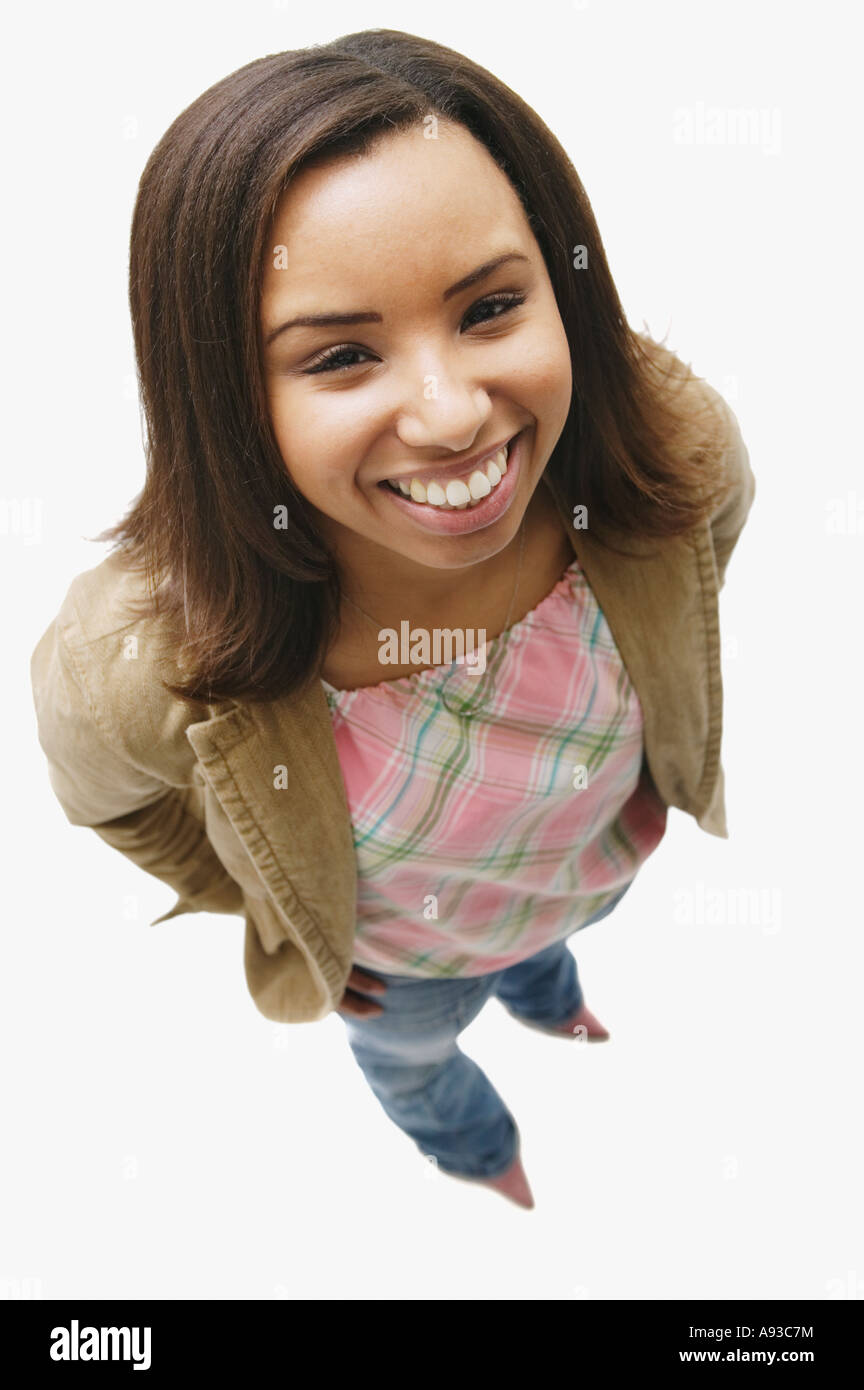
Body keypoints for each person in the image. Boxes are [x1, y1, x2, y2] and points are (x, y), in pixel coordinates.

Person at [30, 29, 755, 1211]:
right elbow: (113, 799)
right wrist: (261, 895)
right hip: (398, 971)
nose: (453, 414)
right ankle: (476, 1154)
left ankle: (546, 992)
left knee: (539, 949)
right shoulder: (136, 660)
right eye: (344, 355)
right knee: (416, 1068)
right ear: (222, 390)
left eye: (491, 308)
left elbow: (706, 557)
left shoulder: (666, 449)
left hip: (584, 873)